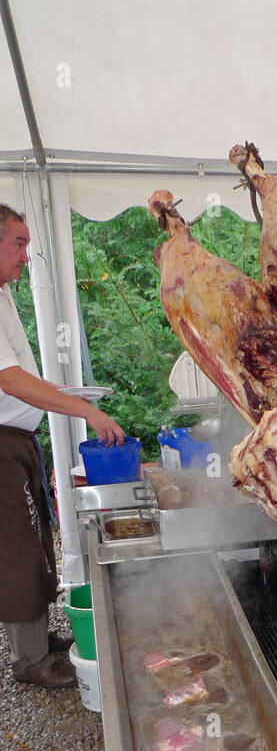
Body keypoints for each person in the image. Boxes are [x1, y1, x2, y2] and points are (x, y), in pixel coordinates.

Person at [0, 204, 125, 688]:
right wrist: (85, 412)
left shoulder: (5, 293)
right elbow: (10, 382)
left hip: (17, 438)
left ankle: (31, 638)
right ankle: (29, 662)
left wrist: (69, 396)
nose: (26, 256)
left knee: (34, 542)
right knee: (17, 547)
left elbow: (20, 376)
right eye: (18, 243)